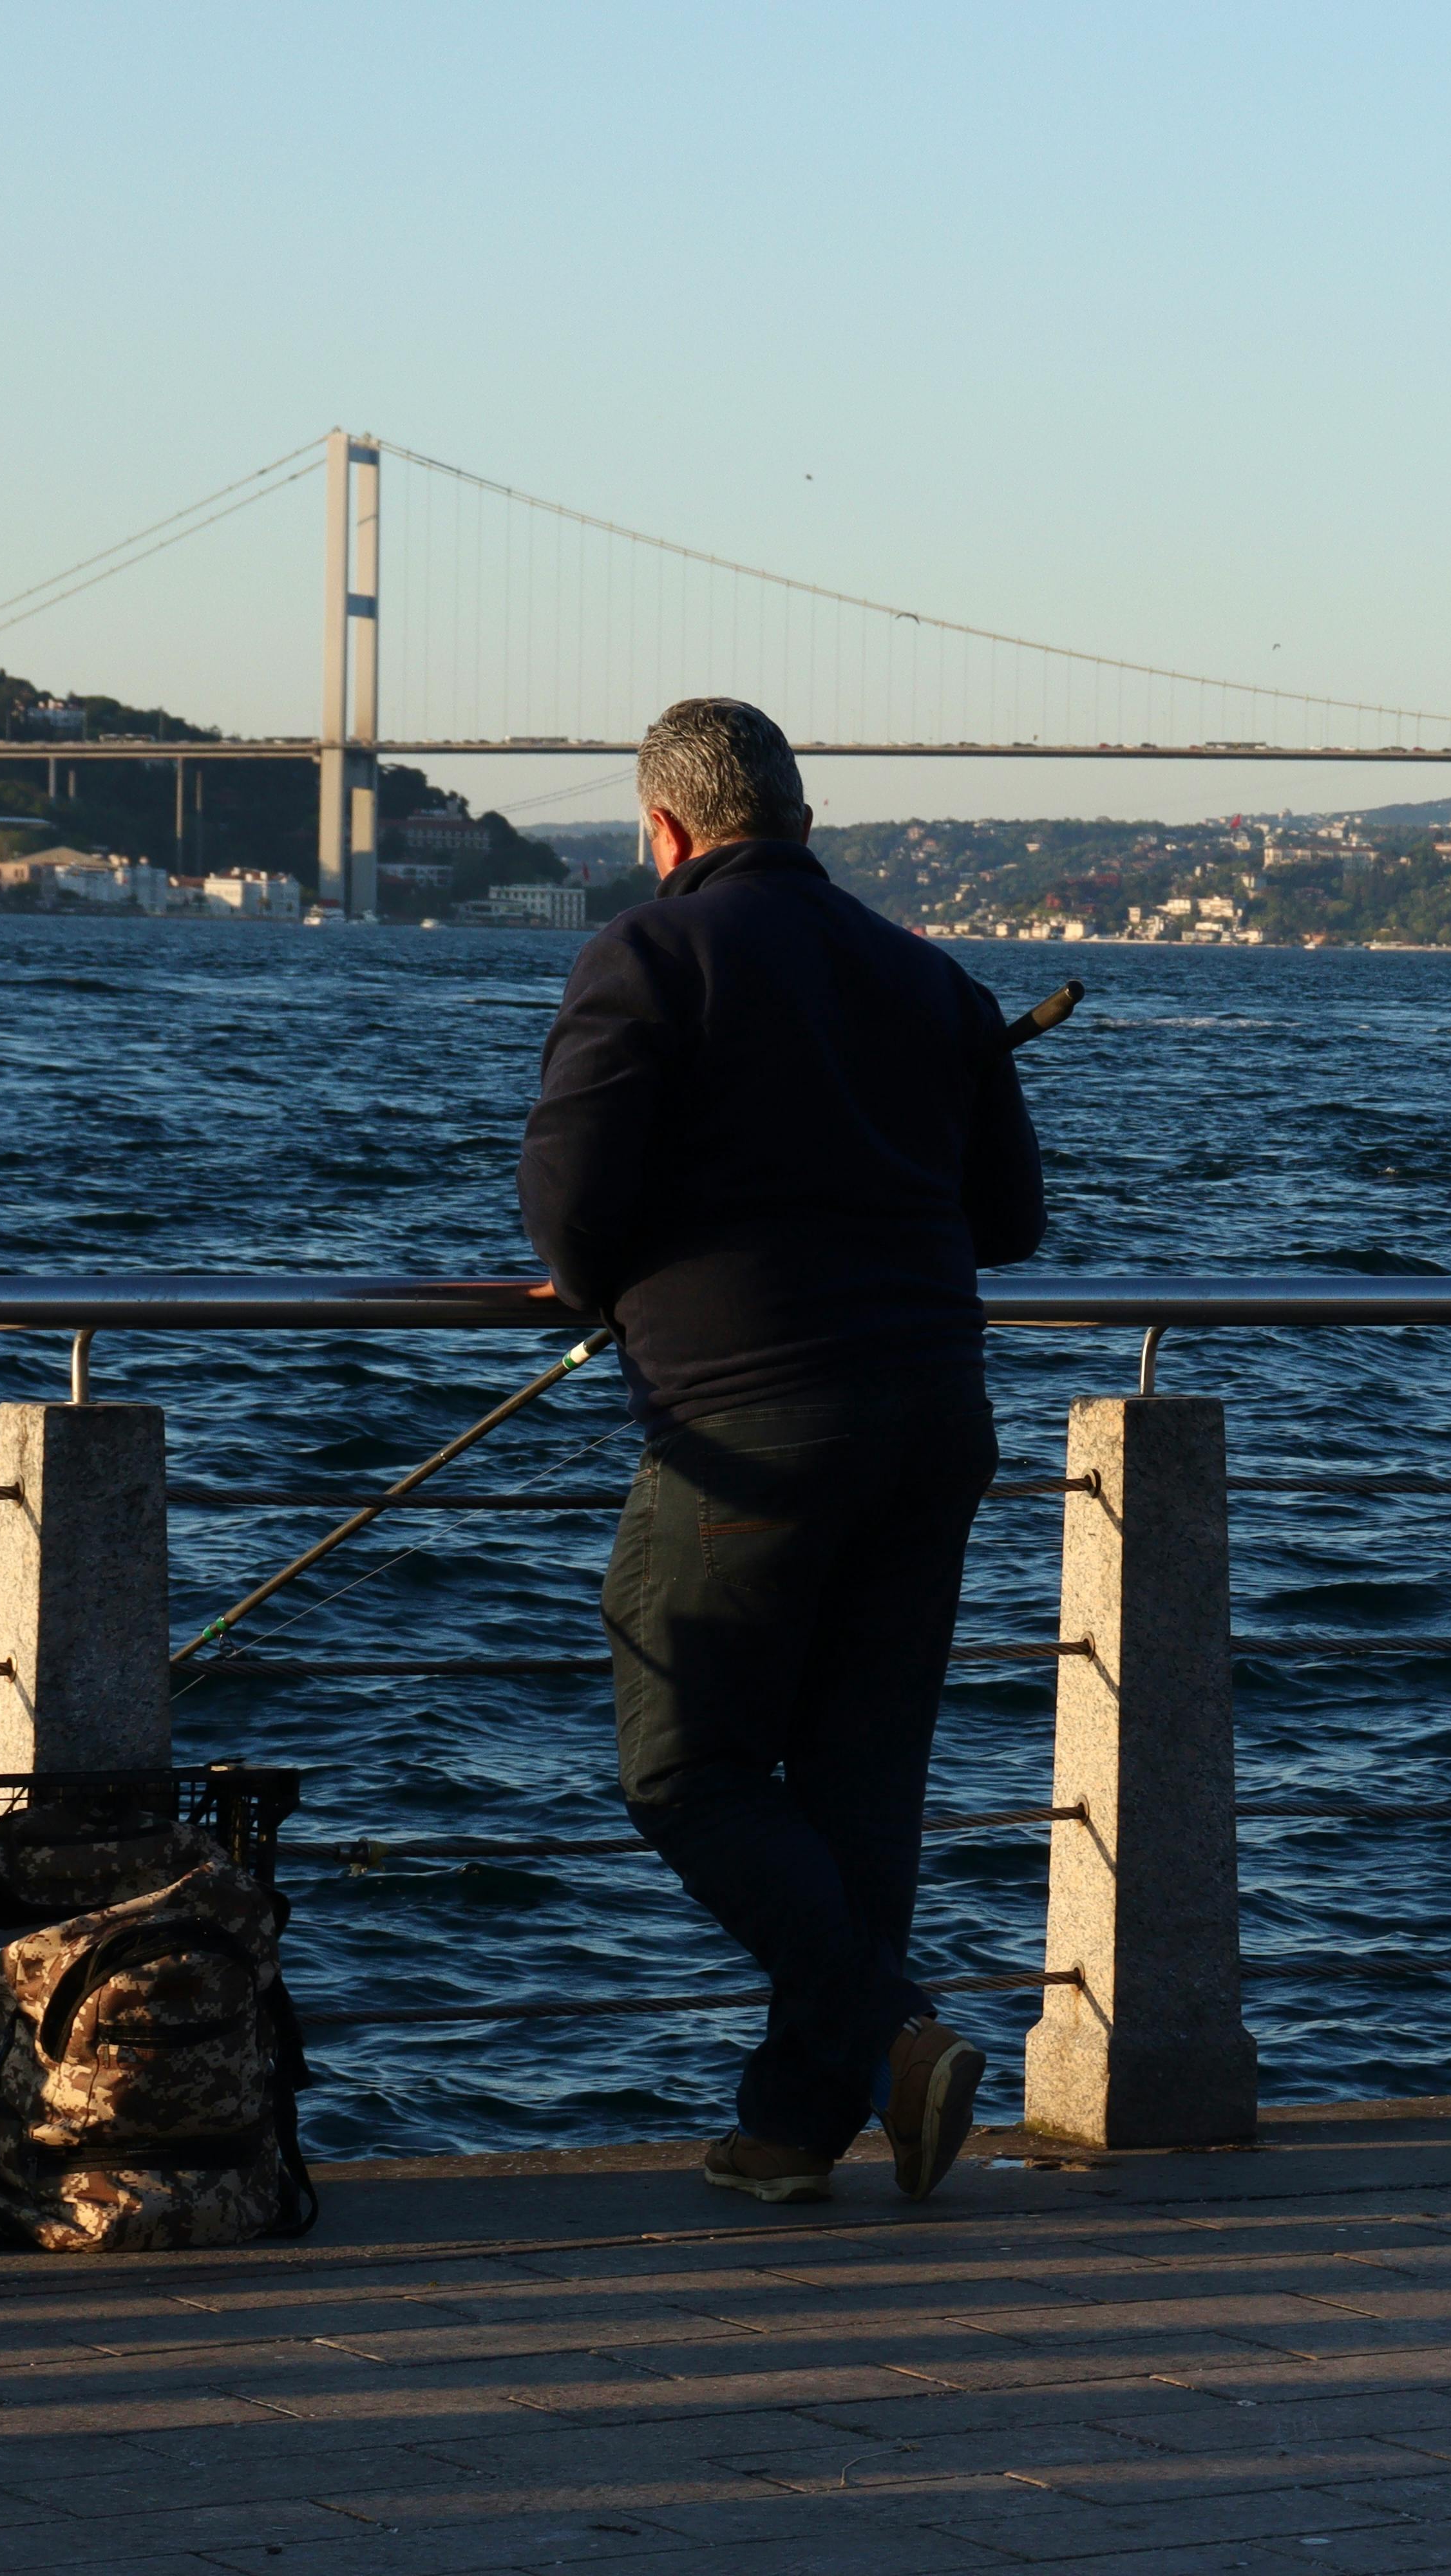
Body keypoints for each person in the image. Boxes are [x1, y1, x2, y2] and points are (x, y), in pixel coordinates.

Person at [519, 697, 1046, 2204]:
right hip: (936, 1419)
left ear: (665, 832)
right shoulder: (931, 978)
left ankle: (895, 2027)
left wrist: (640, 1271)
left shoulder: (648, 954)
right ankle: (791, 2134)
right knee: (860, 1788)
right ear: (803, 821)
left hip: (748, 1424)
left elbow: (567, 1226)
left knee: (684, 1767)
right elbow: (1009, 1223)